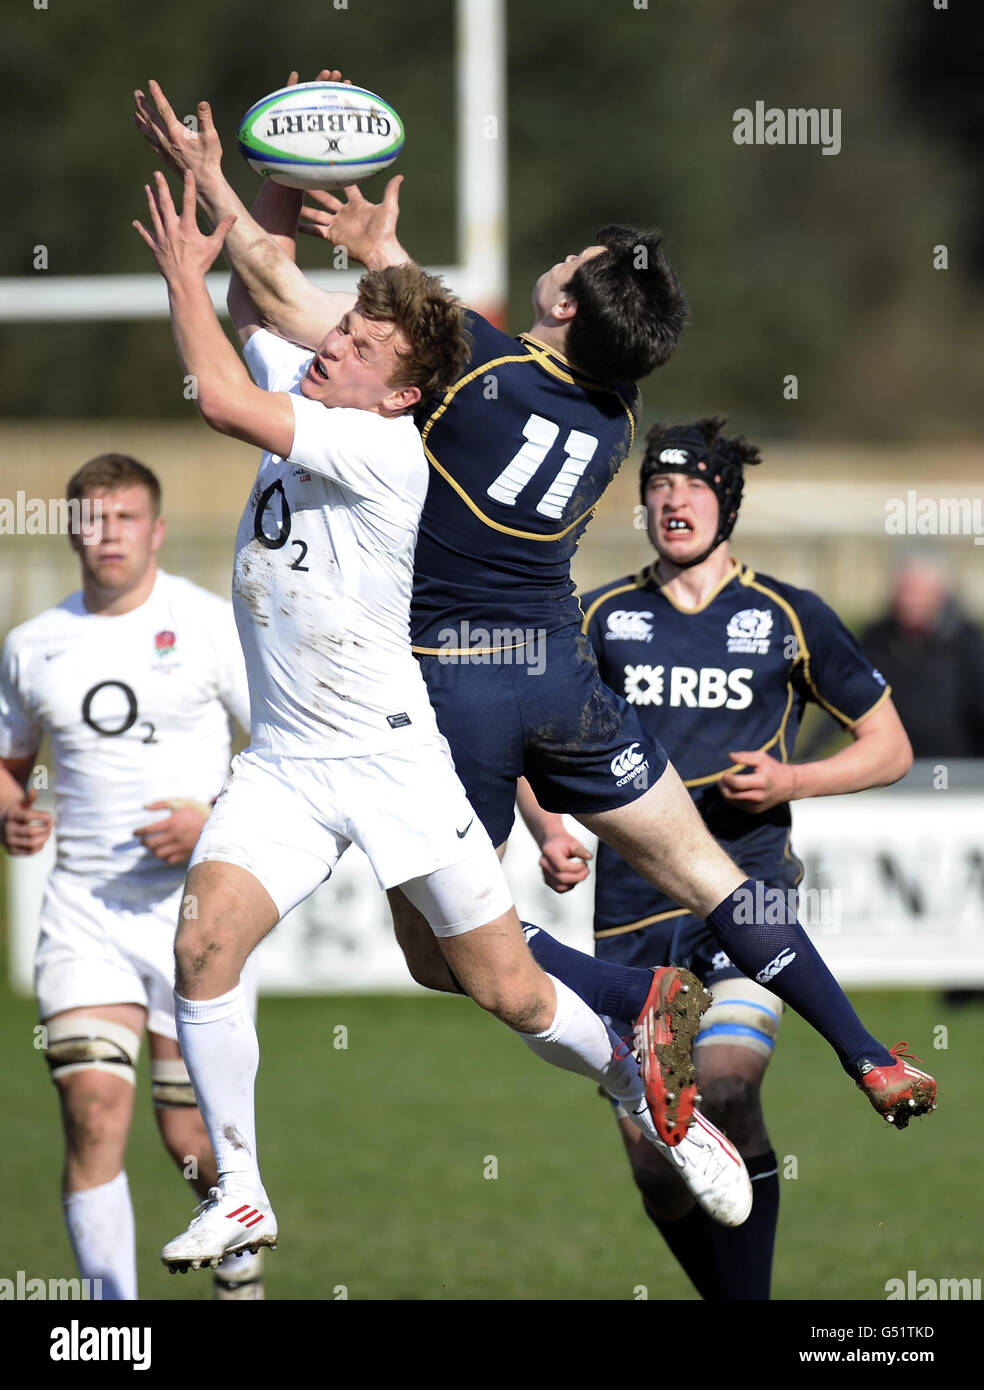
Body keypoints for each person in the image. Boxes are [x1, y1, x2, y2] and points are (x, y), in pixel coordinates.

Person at [133, 76, 933, 1171]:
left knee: (446, 957)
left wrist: (230, 179)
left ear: (564, 304)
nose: (561, 258)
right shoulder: (613, 412)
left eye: (575, 261)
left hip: (452, 685)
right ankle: (863, 1050)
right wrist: (389, 254)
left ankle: (629, 995)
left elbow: (272, 287)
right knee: (714, 878)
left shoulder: (471, 366)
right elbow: (465, 347)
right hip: (562, 675)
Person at [129, 132, 752, 1267]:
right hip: (284, 762)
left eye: (357, 341)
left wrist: (180, 267)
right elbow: (262, 304)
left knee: (501, 985)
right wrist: (244, 173)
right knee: (203, 947)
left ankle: (644, 1086)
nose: (331, 343)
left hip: (390, 755)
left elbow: (220, 388)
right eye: (338, 332)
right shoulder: (320, 391)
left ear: (403, 388)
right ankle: (245, 1191)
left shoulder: (378, 451)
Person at [518, 415, 917, 1300]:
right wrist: (549, 825)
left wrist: (793, 778)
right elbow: (526, 735)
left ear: (726, 501)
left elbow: (889, 747)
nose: (674, 501)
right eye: (658, 488)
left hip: (750, 893)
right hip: (627, 913)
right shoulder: (602, 617)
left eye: (694, 486)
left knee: (727, 1092)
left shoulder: (787, 615)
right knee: (659, 1162)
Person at [0, 453, 261, 1300]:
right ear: (72, 528)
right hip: (83, 917)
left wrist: (208, 820)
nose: (106, 534)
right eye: (92, 518)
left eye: (124, 519)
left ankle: (238, 1260)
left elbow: (285, 756)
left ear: (154, 530)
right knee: (92, 1115)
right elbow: (10, 763)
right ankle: (115, 1322)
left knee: (187, 1133)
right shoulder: (32, 646)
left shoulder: (211, 625)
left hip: (194, 922)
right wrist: (13, 810)